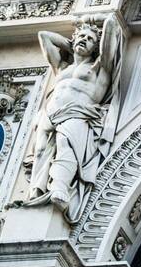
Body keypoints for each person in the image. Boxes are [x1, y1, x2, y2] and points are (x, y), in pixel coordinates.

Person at [22, 15, 123, 223]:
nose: (84, 39)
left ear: (96, 46)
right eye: (81, 37)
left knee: (65, 143)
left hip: (77, 112)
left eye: (90, 39)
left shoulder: (99, 68)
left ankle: (59, 188)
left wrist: (99, 19)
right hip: (50, 114)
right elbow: (44, 36)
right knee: (41, 151)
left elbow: (111, 26)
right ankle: (37, 192)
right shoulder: (62, 67)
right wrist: (75, 41)